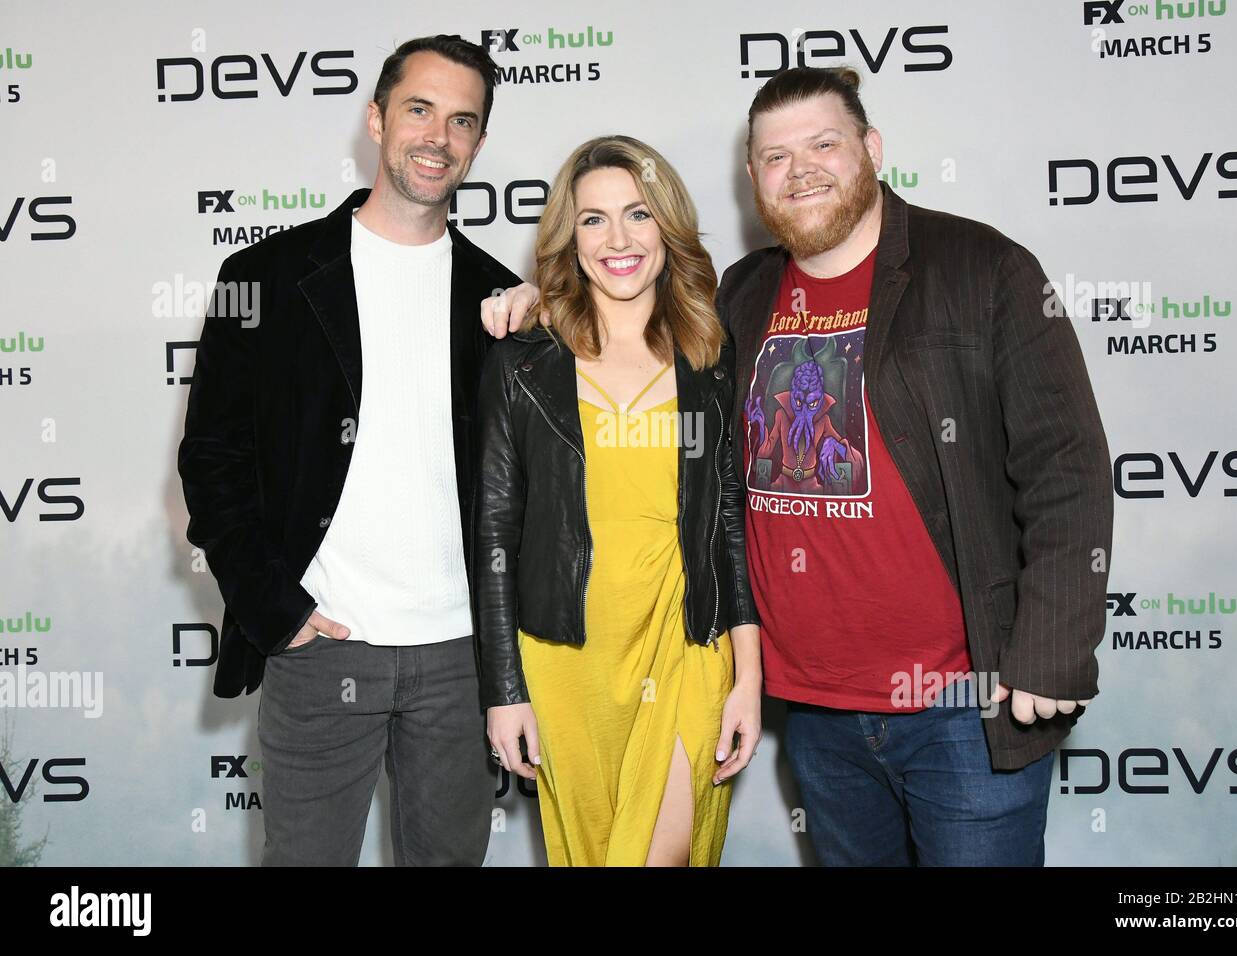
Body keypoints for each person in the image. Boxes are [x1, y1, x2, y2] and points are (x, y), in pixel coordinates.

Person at [481, 66, 1113, 867]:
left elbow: (1067, 467)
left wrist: (1053, 648)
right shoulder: (740, 299)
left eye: (823, 145)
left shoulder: (980, 269)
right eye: (776, 156)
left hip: (962, 702)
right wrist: (539, 301)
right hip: (818, 707)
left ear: (872, 148)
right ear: (752, 178)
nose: (800, 170)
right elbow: (635, 342)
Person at [178, 35, 520, 866]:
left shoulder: (499, 299)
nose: (438, 136)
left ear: (478, 143)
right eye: (419, 109)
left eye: (462, 120)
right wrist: (276, 612)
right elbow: (212, 460)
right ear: (376, 119)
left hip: (460, 659)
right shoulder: (266, 276)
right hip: (322, 644)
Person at [473, 135, 763, 866]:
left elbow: (730, 522)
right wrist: (504, 690)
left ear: (667, 223)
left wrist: (749, 676)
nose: (619, 240)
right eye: (594, 220)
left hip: (686, 646)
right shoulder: (522, 362)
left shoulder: (710, 356)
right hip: (567, 662)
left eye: (638, 213)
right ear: (570, 238)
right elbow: (496, 533)